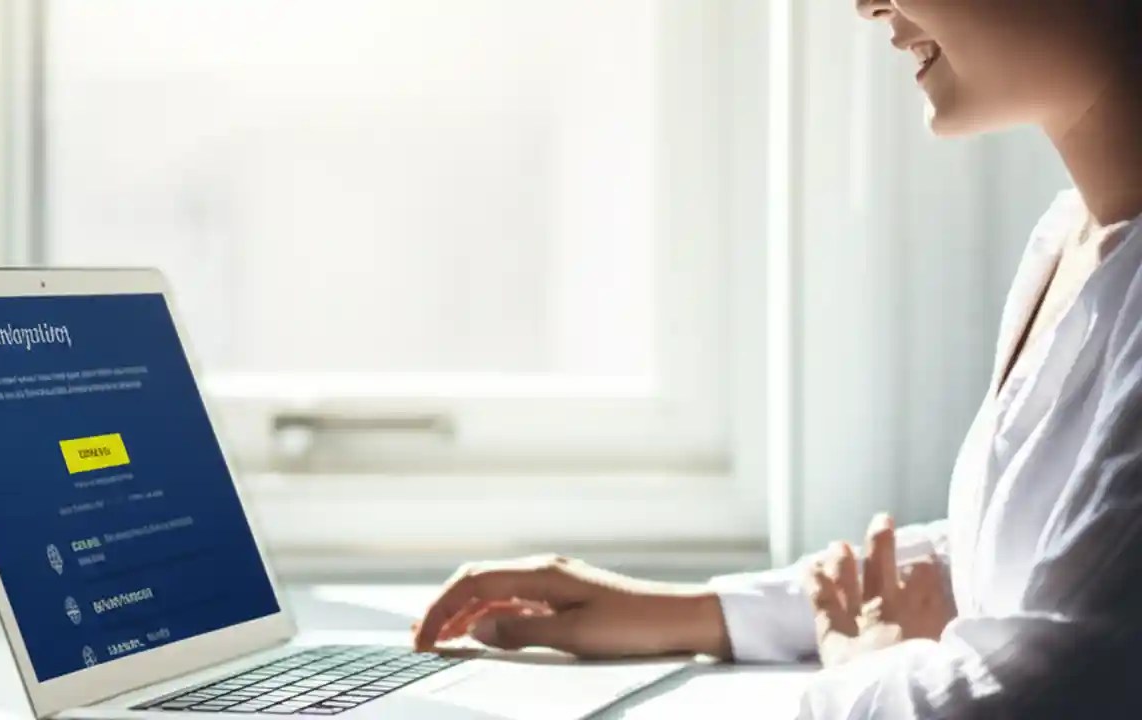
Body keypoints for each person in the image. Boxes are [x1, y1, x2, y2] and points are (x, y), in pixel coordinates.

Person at [412, 0, 1142, 716]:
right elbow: (1041, 557)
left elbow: (1065, 685)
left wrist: (873, 665)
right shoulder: (1074, 237)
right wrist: (688, 613)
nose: (868, 5)